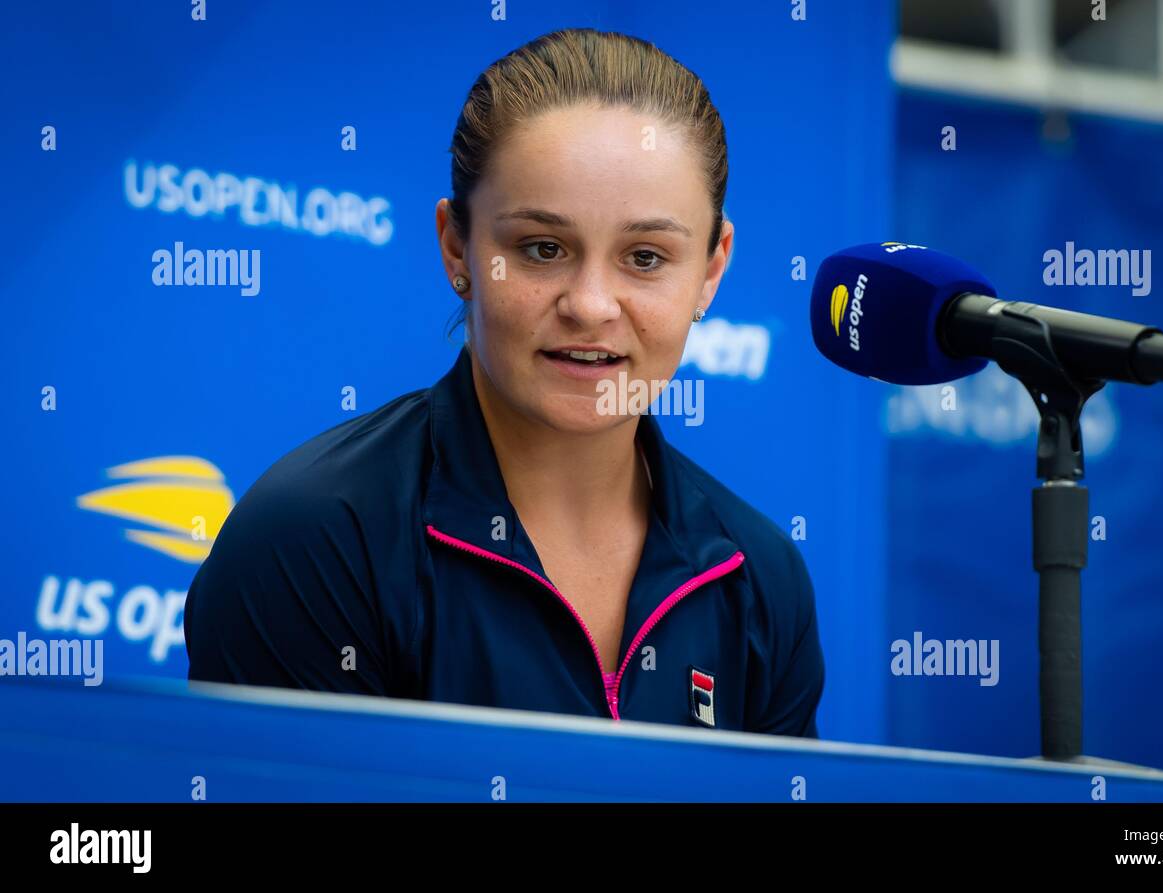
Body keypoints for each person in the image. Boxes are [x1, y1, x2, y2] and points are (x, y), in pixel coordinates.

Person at [184, 27, 825, 736]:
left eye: (645, 257)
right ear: (457, 246)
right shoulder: (318, 538)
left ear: (711, 268)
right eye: (542, 249)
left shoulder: (760, 577)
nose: (589, 303)